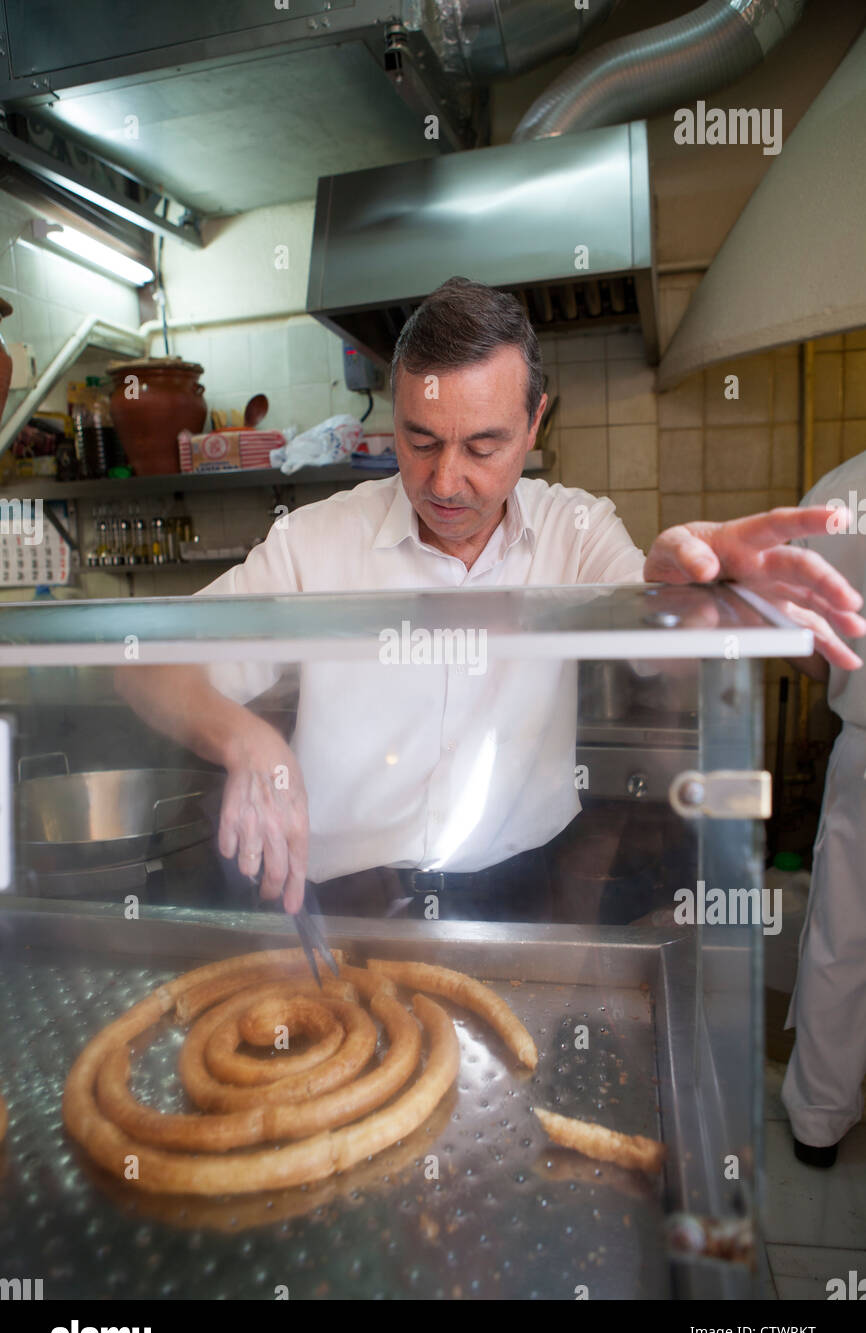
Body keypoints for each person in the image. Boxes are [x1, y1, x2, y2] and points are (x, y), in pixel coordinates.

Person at [115, 277, 865, 923]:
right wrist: (246, 741)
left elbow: (660, 649)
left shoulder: (576, 529)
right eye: (420, 441)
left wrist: (689, 589)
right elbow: (143, 661)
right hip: (347, 904)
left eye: (482, 447)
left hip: (522, 891)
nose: (445, 483)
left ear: (535, 422)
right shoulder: (314, 542)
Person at [780, 451, 866, 1168]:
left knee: (843, 938)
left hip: (864, 748)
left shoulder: (840, 495)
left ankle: (818, 1122)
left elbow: (808, 650)